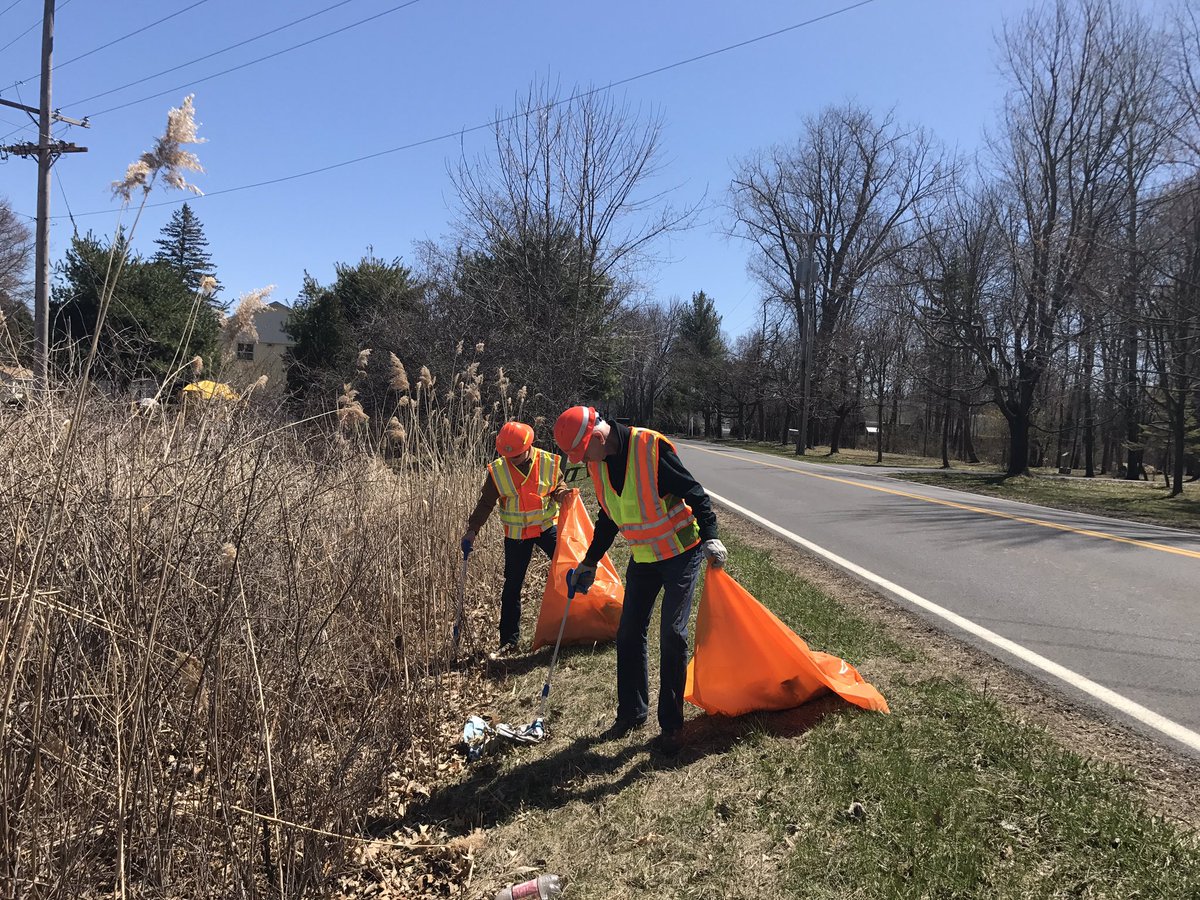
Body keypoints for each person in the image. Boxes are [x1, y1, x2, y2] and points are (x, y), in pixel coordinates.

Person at [552, 405, 727, 755]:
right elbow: (609, 516)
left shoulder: (650, 449)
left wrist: (710, 535)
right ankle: (632, 712)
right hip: (645, 558)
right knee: (629, 632)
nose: (585, 460)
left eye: (585, 452)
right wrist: (589, 562)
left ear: (598, 436)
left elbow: (695, 493)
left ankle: (672, 726)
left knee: (673, 634)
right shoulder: (597, 463)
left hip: (681, 551)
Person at [461, 421, 572, 653]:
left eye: (518, 455)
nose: (513, 459)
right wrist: (473, 529)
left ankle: (576, 623)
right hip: (517, 536)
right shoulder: (498, 472)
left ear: (529, 446)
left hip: (545, 528)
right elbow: (485, 504)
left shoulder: (548, 462)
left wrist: (563, 495)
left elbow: (557, 486)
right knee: (512, 587)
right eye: (508, 456)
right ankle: (509, 641)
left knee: (568, 571)